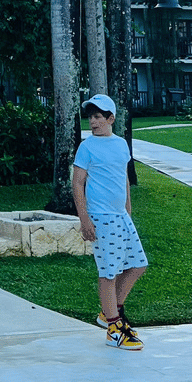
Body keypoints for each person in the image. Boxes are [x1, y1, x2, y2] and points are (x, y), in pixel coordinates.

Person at [71, 92, 148, 350]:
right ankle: (114, 329)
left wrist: (128, 207)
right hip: (101, 217)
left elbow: (123, 176)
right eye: (90, 117)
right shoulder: (87, 147)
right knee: (109, 272)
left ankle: (109, 312)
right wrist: (84, 219)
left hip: (120, 216)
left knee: (138, 265)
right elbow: (78, 183)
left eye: (98, 117)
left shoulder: (120, 144)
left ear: (110, 118)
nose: (93, 122)